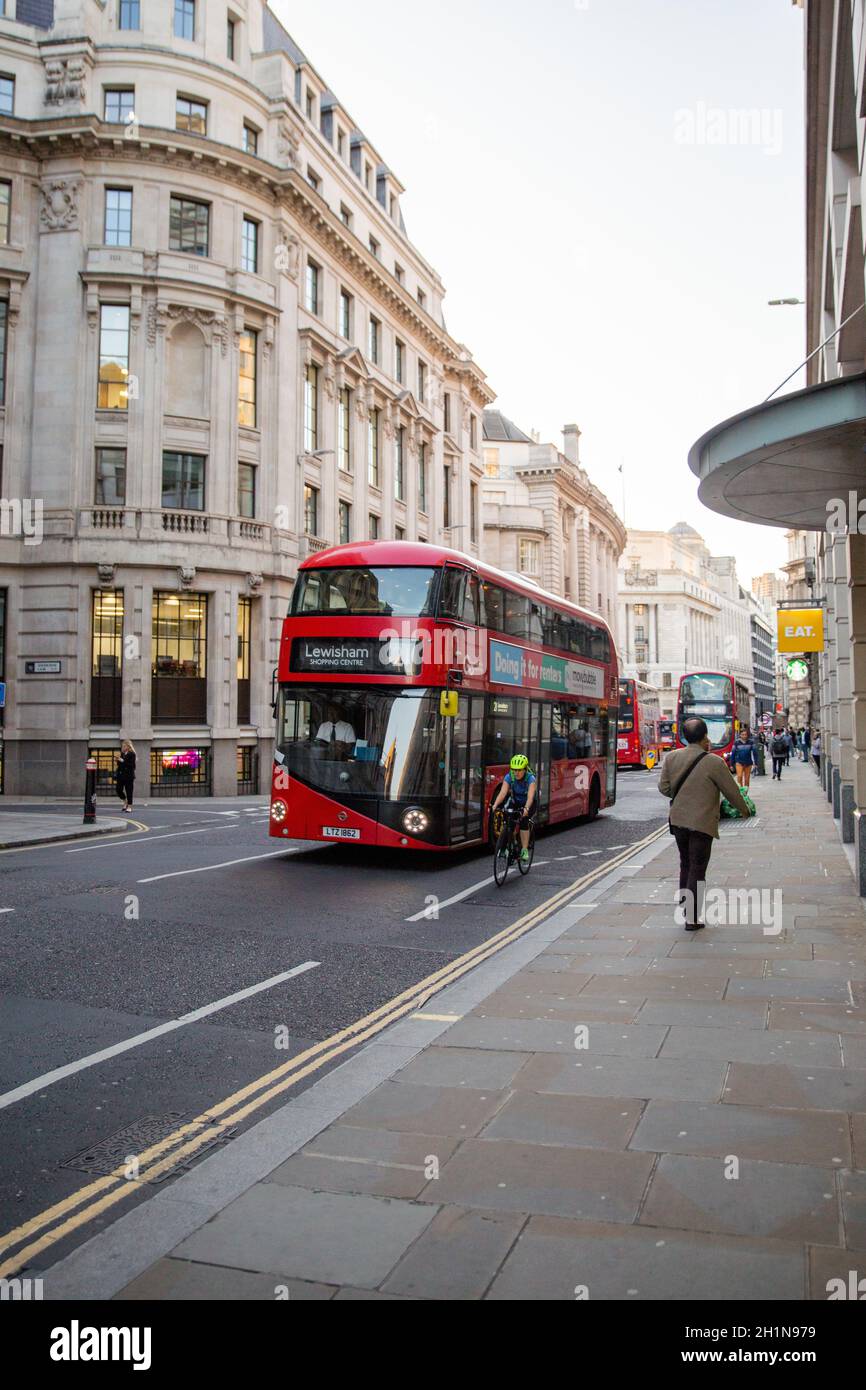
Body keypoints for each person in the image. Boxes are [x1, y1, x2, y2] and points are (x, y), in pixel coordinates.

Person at [659, 718, 755, 932]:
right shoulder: (714, 762)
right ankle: (692, 918)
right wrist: (744, 810)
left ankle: (686, 905)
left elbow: (664, 788)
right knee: (698, 867)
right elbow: (732, 791)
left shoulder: (671, 757)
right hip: (702, 822)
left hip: (679, 820)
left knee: (685, 863)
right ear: (704, 736)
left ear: (684, 736)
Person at [491, 755, 538, 865]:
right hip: (515, 802)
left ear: (525, 769)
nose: (516, 773)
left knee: (524, 821)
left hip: (528, 803)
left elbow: (530, 797)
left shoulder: (530, 779)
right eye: (514, 769)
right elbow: (503, 793)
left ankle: (525, 850)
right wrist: (495, 805)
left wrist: (526, 809)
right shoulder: (509, 777)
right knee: (509, 823)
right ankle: (508, 846)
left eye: (519, 770)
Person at [115, 740, 136, 813]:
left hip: (129, 776)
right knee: (118, 789)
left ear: (128, 746)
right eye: (122, 746)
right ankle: (125, 801)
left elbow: (132, 766)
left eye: (124, 746)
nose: (122, 747)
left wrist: (122, 760)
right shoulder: (122, 753)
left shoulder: (132, 754)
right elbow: (119, 765)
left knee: (129, 791)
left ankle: (129, 806)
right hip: (121, 775)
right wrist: (117, 760)